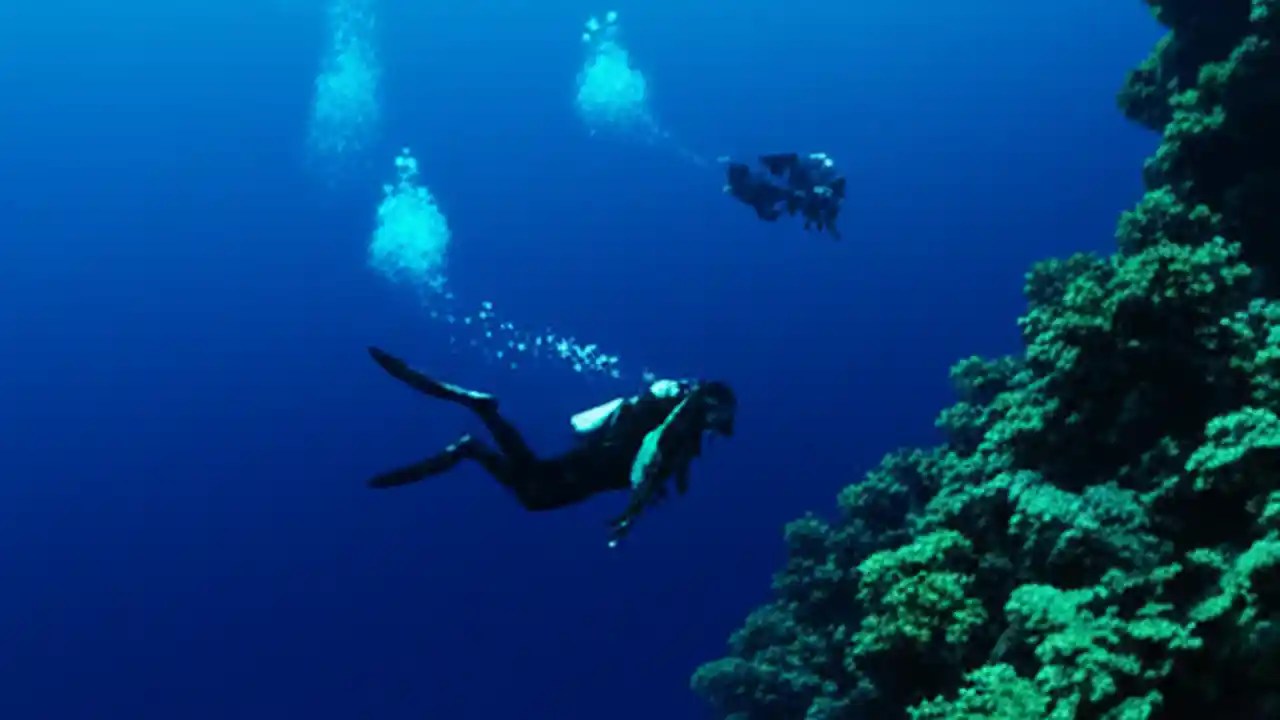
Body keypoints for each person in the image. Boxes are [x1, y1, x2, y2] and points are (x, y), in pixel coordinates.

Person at [364, 346, 737, 546]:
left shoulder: (678, 420)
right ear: (712, 407)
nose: (720, 429)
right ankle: (479, 425)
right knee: (534, 493)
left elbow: (663, 452)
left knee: (532, 486)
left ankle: (476, 432)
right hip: (594, 467)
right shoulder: (681, 421)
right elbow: (655, 450)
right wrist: (633, 509)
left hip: (591, 462)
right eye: (722, 419)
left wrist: (639, 503)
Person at [724, 152, 846, 239]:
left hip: (800, 186)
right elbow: (768, 211)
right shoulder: (756, 190)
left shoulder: (764, 183)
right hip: (796, 189)